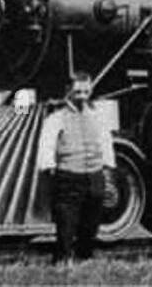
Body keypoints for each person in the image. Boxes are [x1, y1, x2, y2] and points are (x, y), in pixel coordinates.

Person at [37, 72, 116, 263]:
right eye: (78, 91)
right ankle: (62, 259)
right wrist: (49, 168)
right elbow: (46, 144)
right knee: (66, 222)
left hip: (94, 175)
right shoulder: (57, 118)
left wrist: (108, 169)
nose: (82, 95)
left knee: (91, 222)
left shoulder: (98, 116)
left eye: (86, 91)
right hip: (69, 175)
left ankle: (84, 257)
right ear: (69, 92)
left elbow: (106, 143)